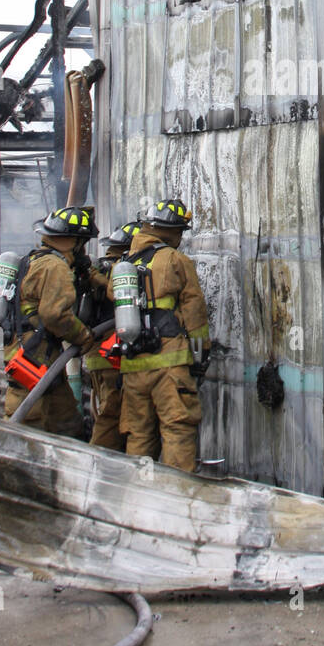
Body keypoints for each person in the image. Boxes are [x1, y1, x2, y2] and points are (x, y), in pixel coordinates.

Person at [113, 198, 210, 472]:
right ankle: (175, 498)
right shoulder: (176, 260)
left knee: (139, 434)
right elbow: (195, 313)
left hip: (133, 366)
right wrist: (201, 355)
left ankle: (138, 496)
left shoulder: (124, 265)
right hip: (170, 362)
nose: (181, 238)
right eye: (180, 231)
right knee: (177, 428)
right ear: (171, 232)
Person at [3, 206, 99, 437]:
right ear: (73, 241)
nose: (83, 250)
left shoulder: (33, 260)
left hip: (35, 354)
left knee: (65, 419)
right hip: (35, 357)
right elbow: (55, 315)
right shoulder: (55, 266)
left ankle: (72, 465)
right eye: (83, 243)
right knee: (26, 427)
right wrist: (83, 336)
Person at [85, 220, 141, 450]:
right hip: (111, 357)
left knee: (103, 410)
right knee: (111, 413)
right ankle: (98, 464)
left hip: (96, 356)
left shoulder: (98, 267)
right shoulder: (120, 271)